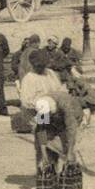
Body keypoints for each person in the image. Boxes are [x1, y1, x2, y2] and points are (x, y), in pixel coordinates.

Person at [20, 49, 80, 178]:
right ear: (34, 65)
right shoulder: (29, 79)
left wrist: (70, 151)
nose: (42, 68)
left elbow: (71, 127)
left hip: (56, 110)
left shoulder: (51, 74)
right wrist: (43, 153)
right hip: (37, 111)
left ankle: (60, 168)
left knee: (62, 143)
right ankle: (46, 169)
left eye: (44, 65)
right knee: (45, 145)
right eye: (39, 66)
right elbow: (40, 127)